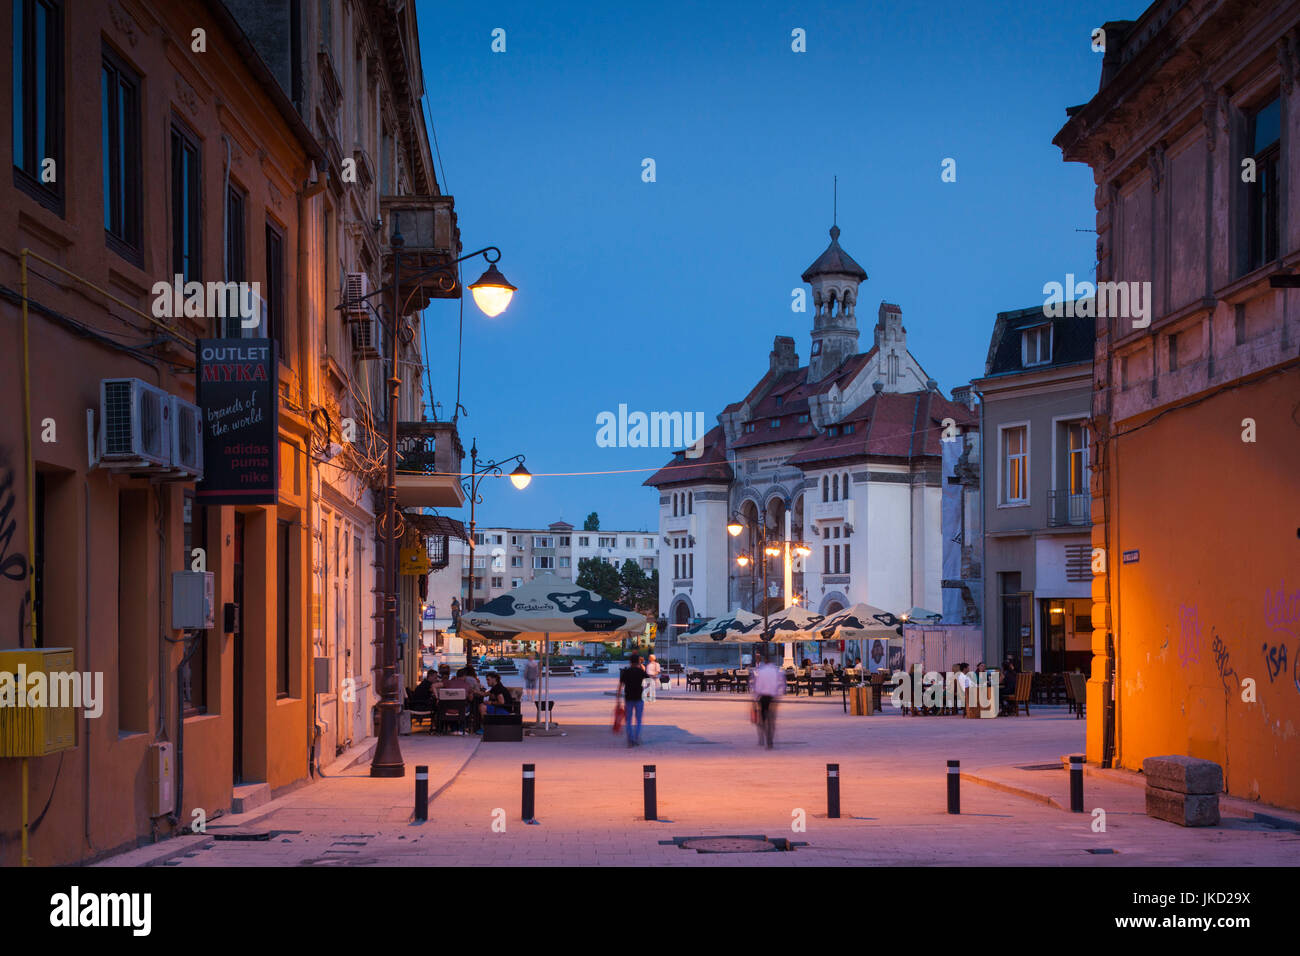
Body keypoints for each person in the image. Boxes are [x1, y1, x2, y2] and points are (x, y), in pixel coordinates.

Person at [751, 652, 785, 749]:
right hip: (773, 697)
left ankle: (767, 737)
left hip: (763, 697)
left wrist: (755, 698)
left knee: (763, 719)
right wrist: (779, 695)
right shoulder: (776, 670)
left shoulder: (760, 671)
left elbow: (756, 685)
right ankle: (770, 739)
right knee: (772, 720)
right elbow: (781, 684)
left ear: (764, 661)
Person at [618, 654, 648, 747]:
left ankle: (630, 740)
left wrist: (618, 698)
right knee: (638, 720)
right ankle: (637, 738)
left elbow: (620, 686)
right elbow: (650, 681)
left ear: (630, 662)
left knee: (628, 720)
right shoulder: (641, 671)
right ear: (638, 662)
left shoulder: (626, 672)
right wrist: (645, 691)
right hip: (639, 698)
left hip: (628, 698)